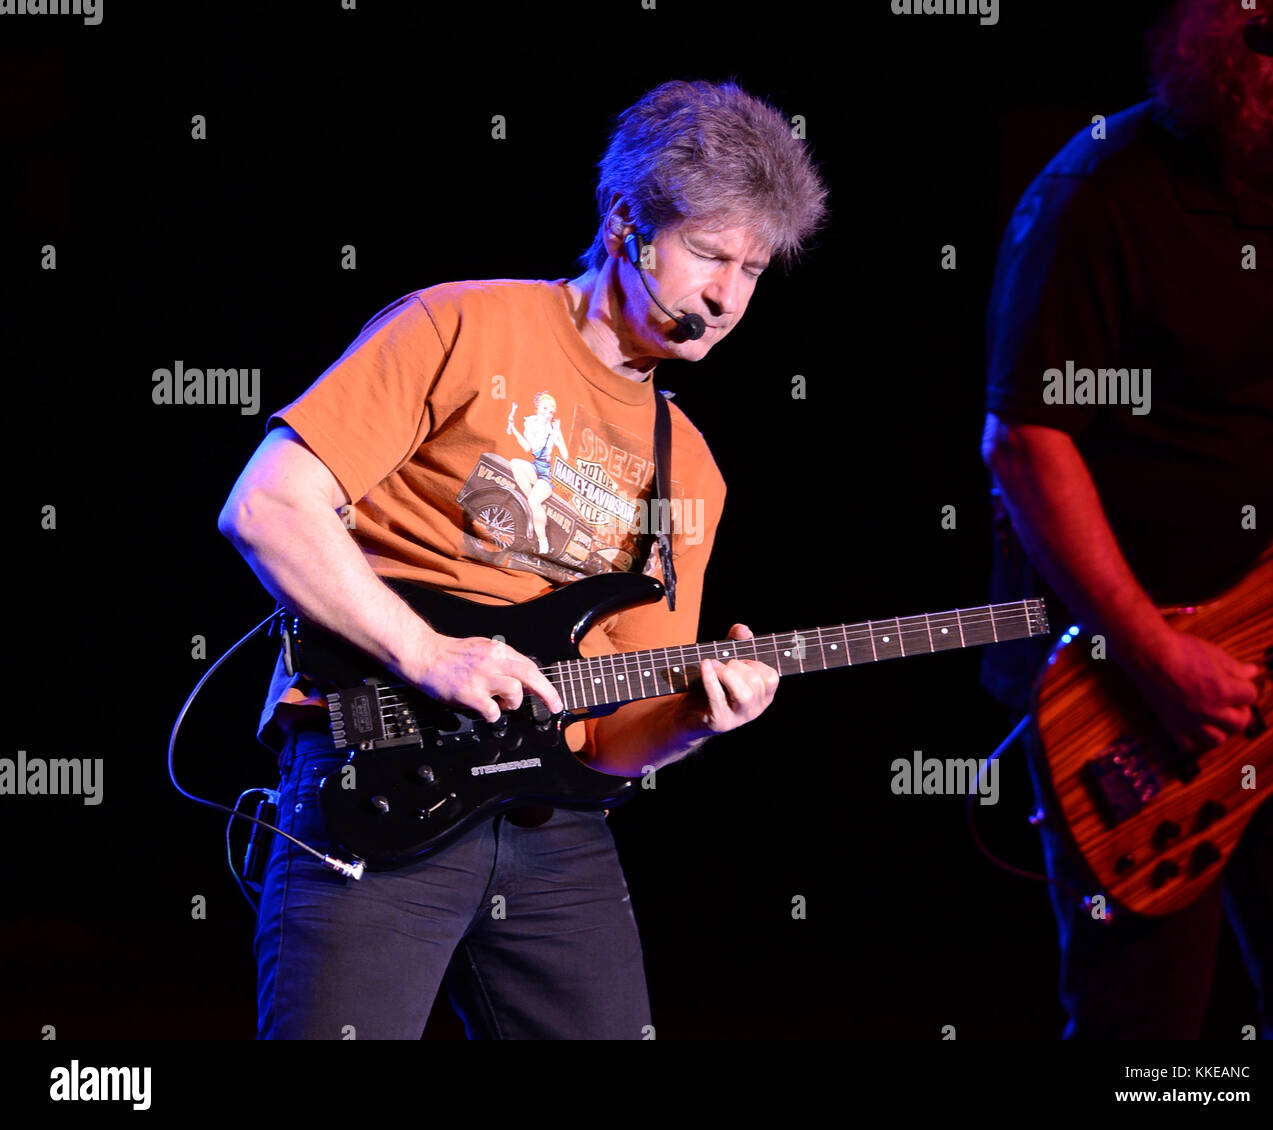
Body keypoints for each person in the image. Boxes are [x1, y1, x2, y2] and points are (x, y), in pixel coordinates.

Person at [217, 78, 828, 1040]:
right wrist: (430, 655)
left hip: (552, 828)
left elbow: (616, 732)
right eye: (708, 254)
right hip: (374, 767)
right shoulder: (459, 324)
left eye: (752, 270)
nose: (725, 297)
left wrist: (698, 721)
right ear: (626, 222)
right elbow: (268, 505)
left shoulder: (693, 469)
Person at [980, 0, 1273, 1039]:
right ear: (1244, 64)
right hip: (1136, 695)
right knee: (1143, 1021)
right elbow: (1026, 440)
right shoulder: (1104, 188)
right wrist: (1157, 653)